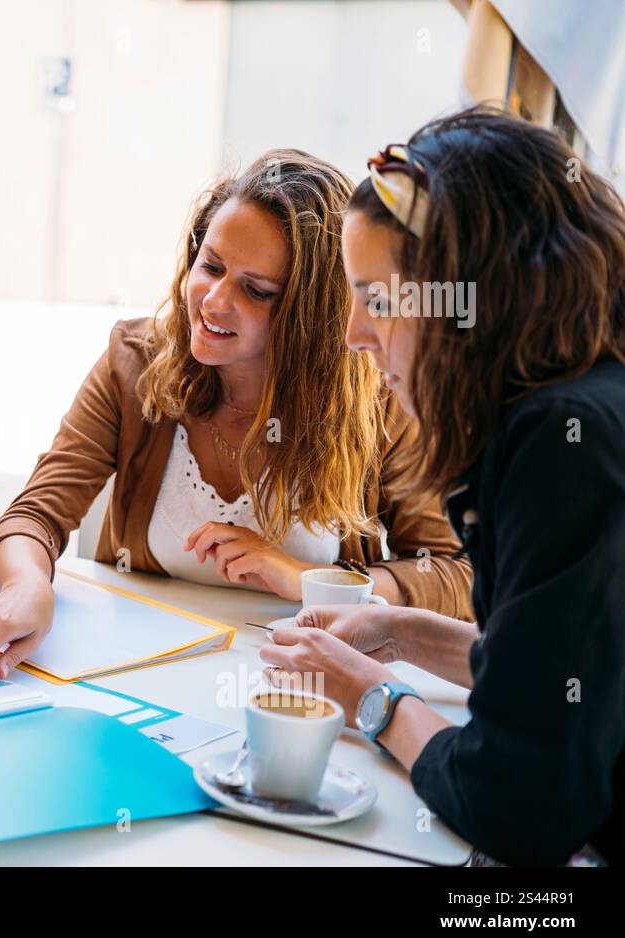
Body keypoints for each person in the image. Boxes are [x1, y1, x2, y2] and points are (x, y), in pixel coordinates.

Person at [0, 150, 472, 684]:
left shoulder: (377, 397)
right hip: (140, 677)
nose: (214, 301)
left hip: (290, 689)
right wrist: (26, 587)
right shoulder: (135, 360)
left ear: (314, 315)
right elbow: (35, 515)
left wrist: (307, 578)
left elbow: (456, 576)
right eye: (211, 266)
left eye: (257, 290)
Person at [263, 107, 625, 865]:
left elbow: (516, 801)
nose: (355, 335)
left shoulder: (564, 442)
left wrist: (369, 693)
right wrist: (401, 634)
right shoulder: (588, 403)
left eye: (380, 300)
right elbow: (568, 677)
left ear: (472, 301)